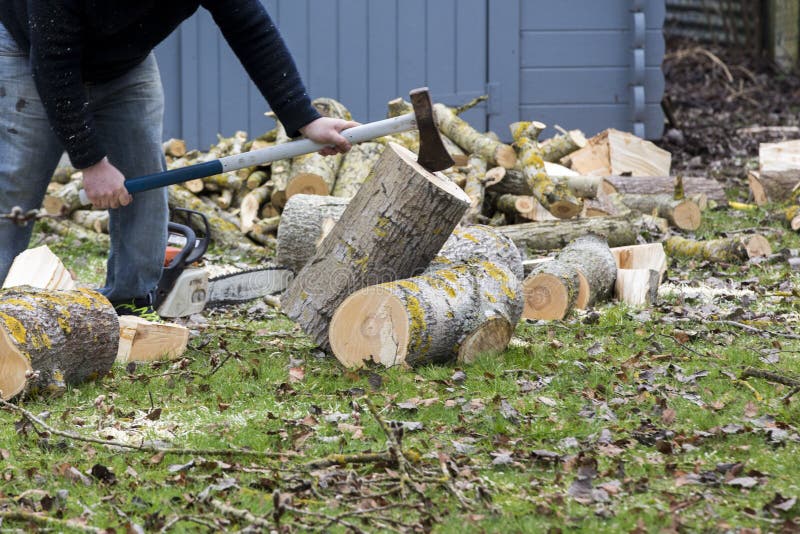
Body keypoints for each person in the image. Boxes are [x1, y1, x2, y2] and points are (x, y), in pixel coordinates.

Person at [0, 0, 357, 319]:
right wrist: (91, 163)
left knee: (144, 184)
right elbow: (53, 61)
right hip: (29, 52)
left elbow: (250, 28)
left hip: (124, 66)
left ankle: (131, 304)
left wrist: (304, 119)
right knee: (16, 183)